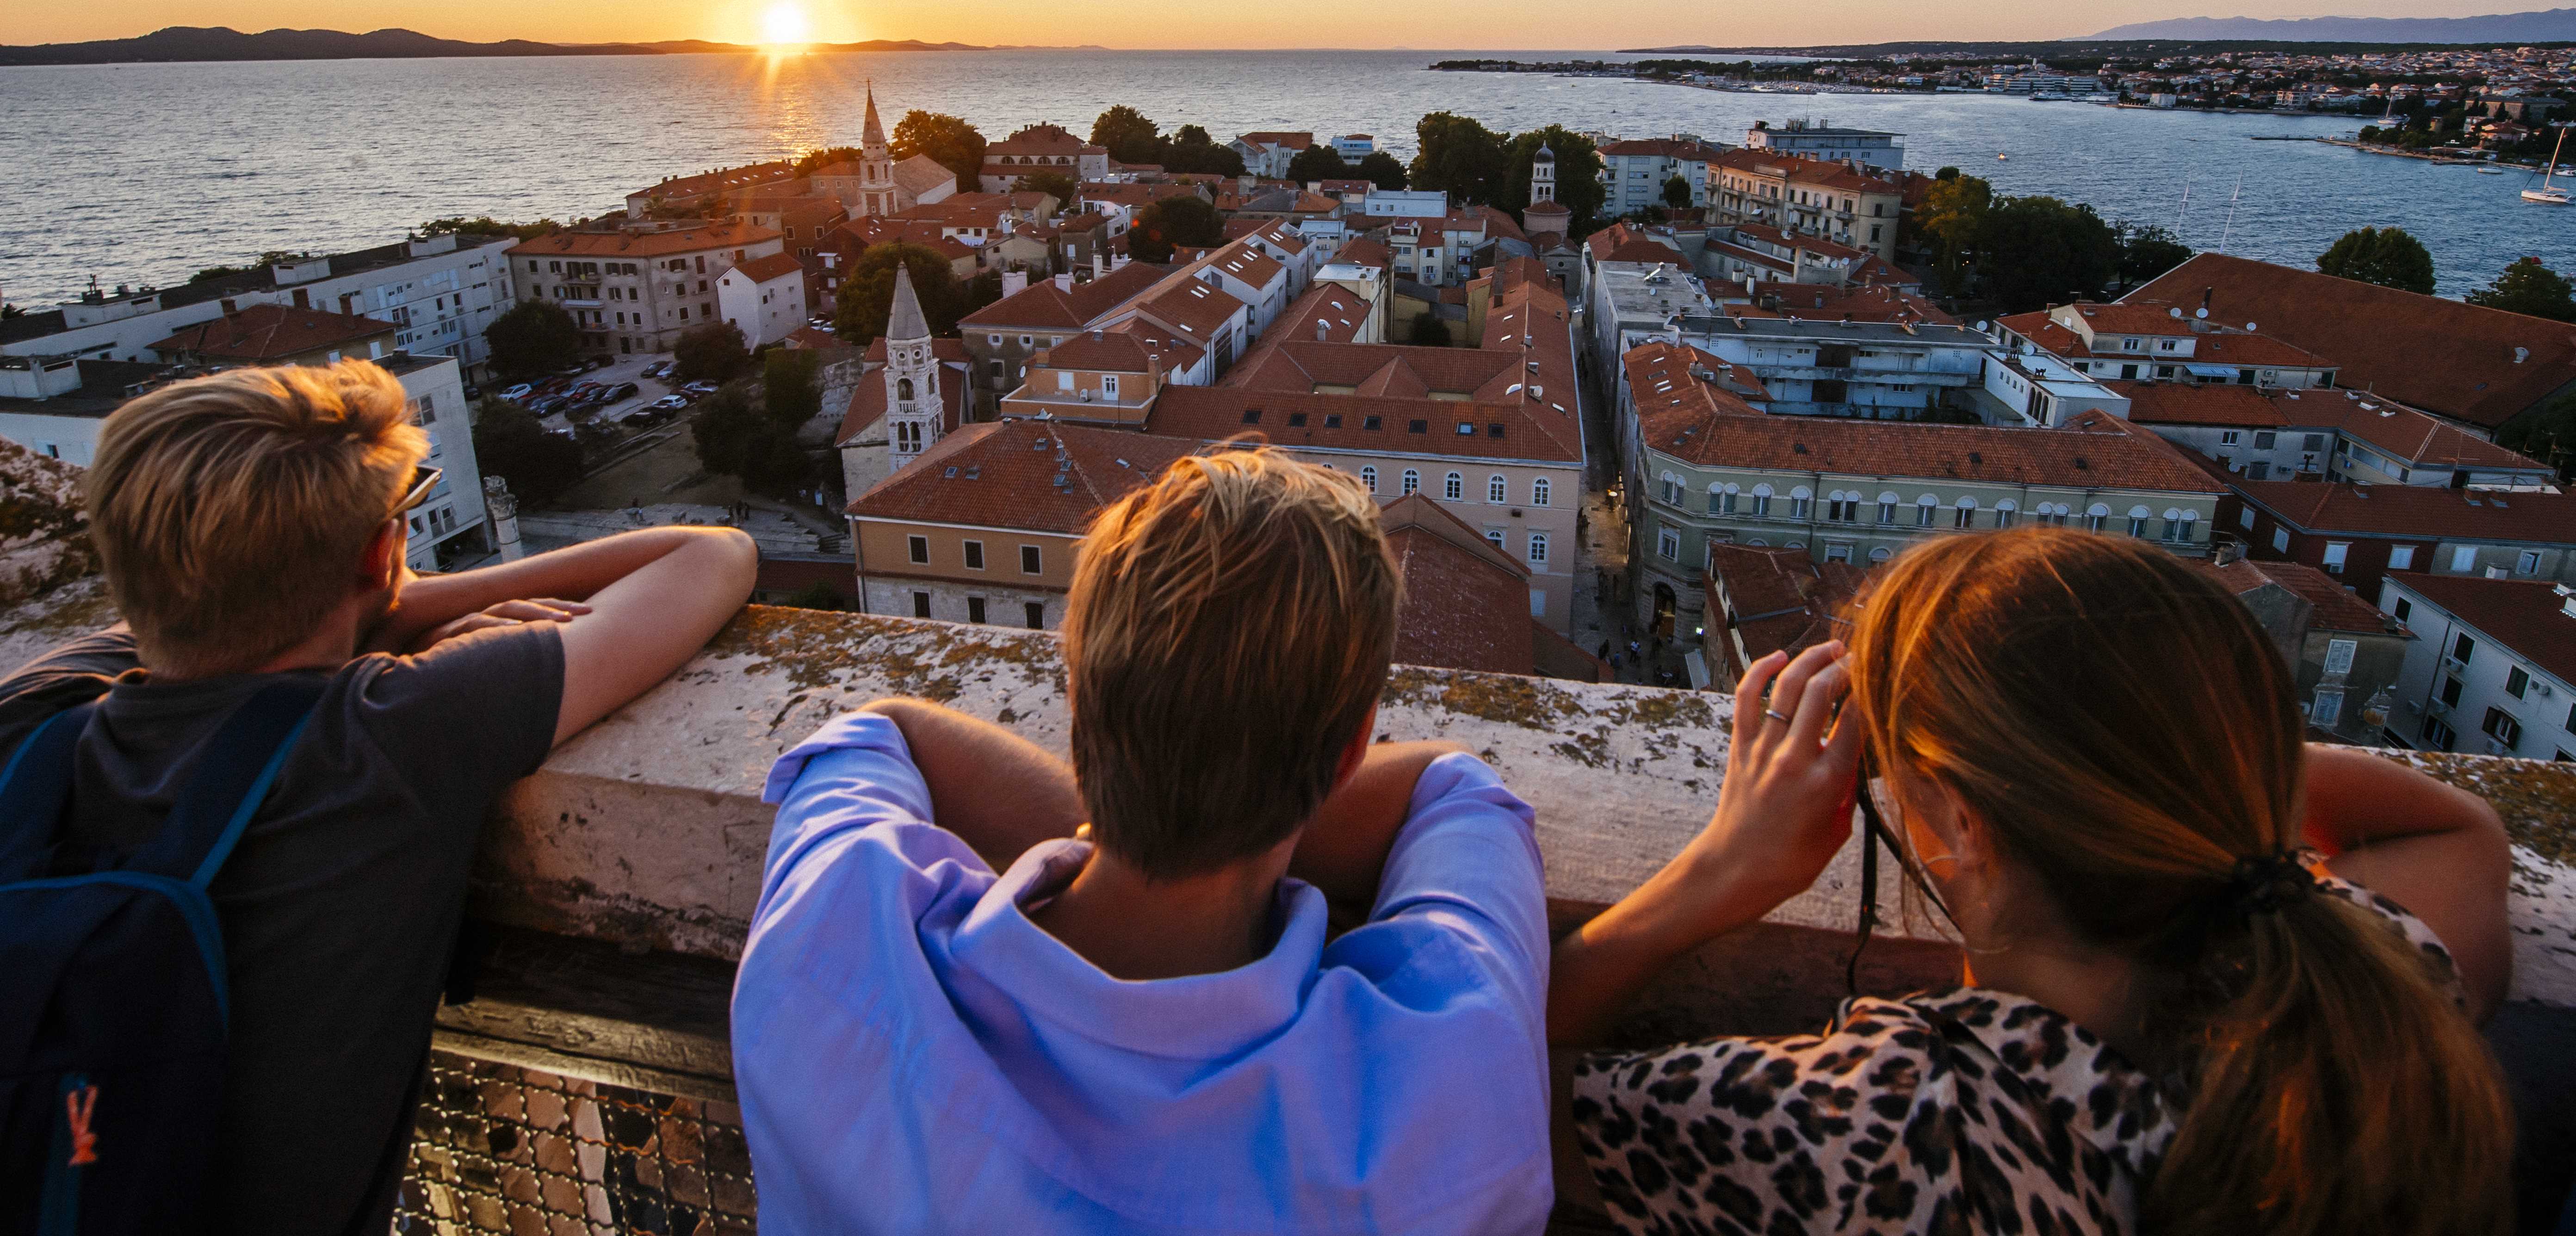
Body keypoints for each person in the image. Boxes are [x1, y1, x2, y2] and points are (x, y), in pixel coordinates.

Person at [1549, 528, 2514, 1236]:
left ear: (1964, 826)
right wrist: (2175, 763)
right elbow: (2461, 828)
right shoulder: (2367, 998)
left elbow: (1478, 1094)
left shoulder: (1864, 1129)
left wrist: (1716, 871)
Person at [0, 361, 757, 1235]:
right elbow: (709, 553)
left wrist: (361, 590)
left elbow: (188, 618)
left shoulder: (31, 717)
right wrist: (387, 598)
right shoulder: (387, 734)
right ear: (379, 551)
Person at [731, 449, 1554, 1234]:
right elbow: (1452, 786)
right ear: (1350, 752)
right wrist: (1239, 799)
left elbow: (881, 730)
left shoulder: (823, 946)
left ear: (1078, 695)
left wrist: (1139, 804)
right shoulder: (1446, 1109)